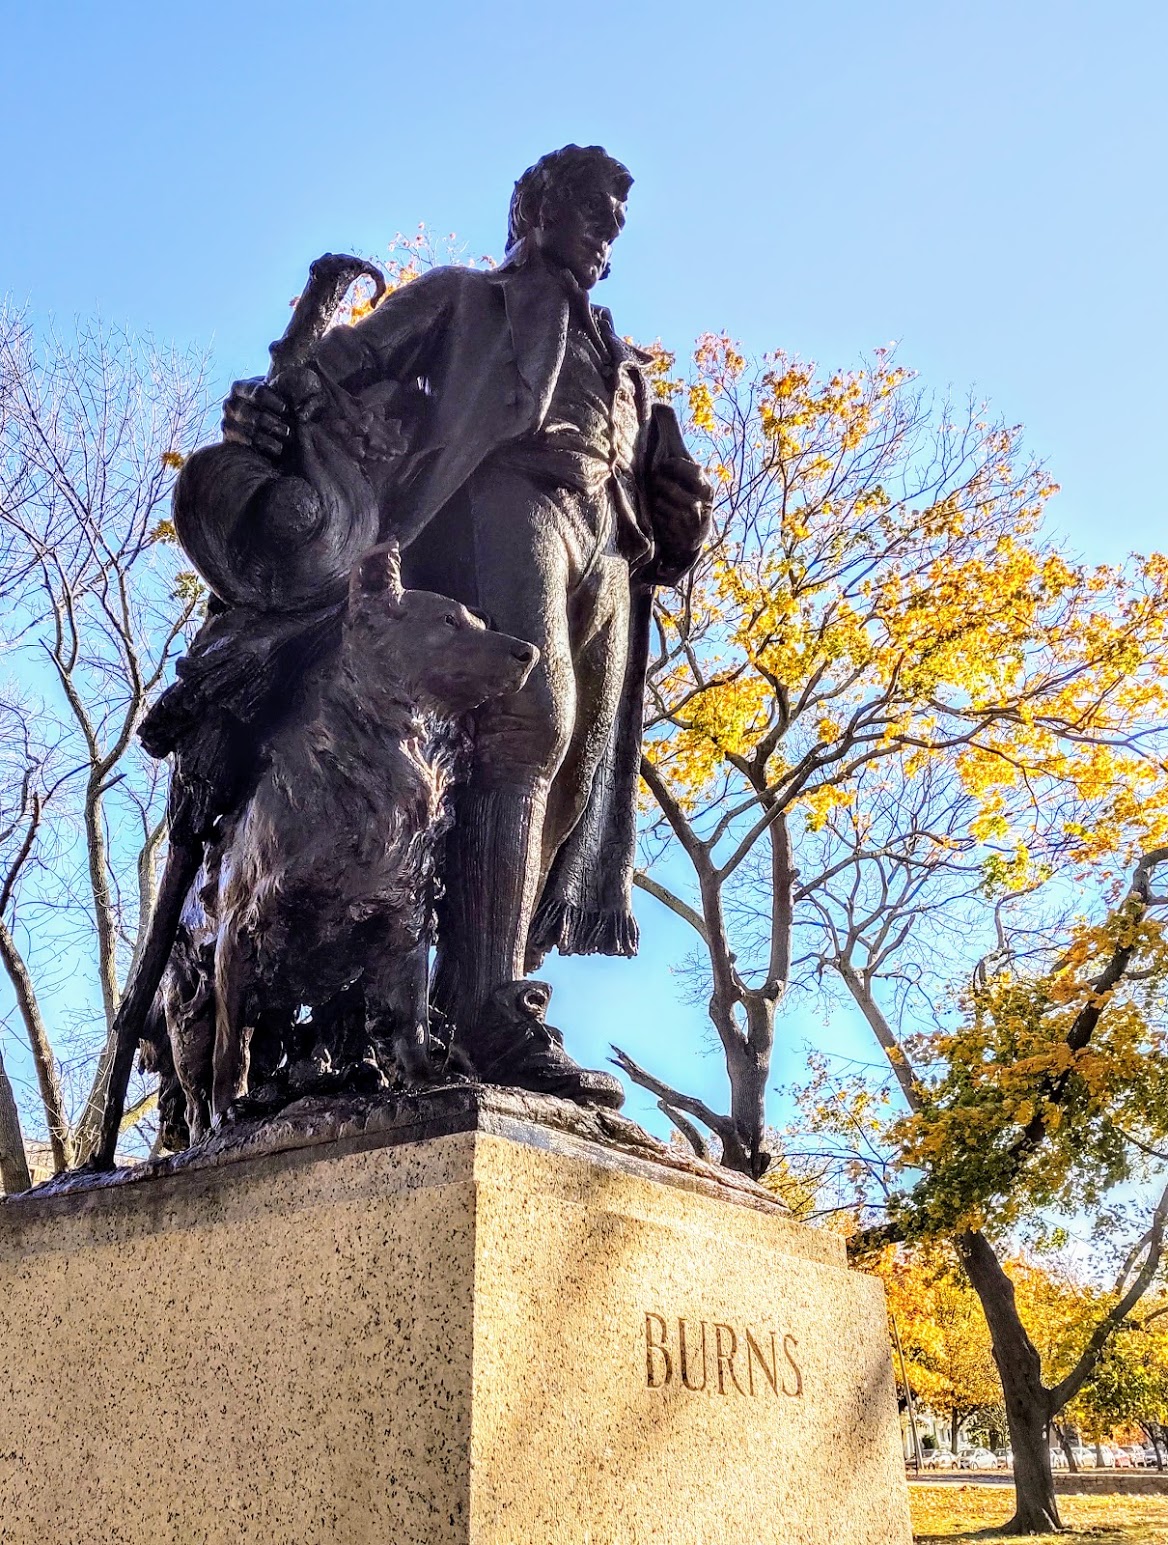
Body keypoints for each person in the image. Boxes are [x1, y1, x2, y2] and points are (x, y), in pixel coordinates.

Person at [223, 145, 712, 1104]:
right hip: (501, 499)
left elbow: (664, 522)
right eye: (592, 208)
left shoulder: (629, 370)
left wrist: (680, 509)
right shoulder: (462, 298)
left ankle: (477, 989)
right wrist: (270, 402)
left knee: (574, 771)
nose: (609, 229)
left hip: (605, 549)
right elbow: (337, 366)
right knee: (529, 717)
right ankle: (485, 1008)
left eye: (618, 218)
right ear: (533, 210)